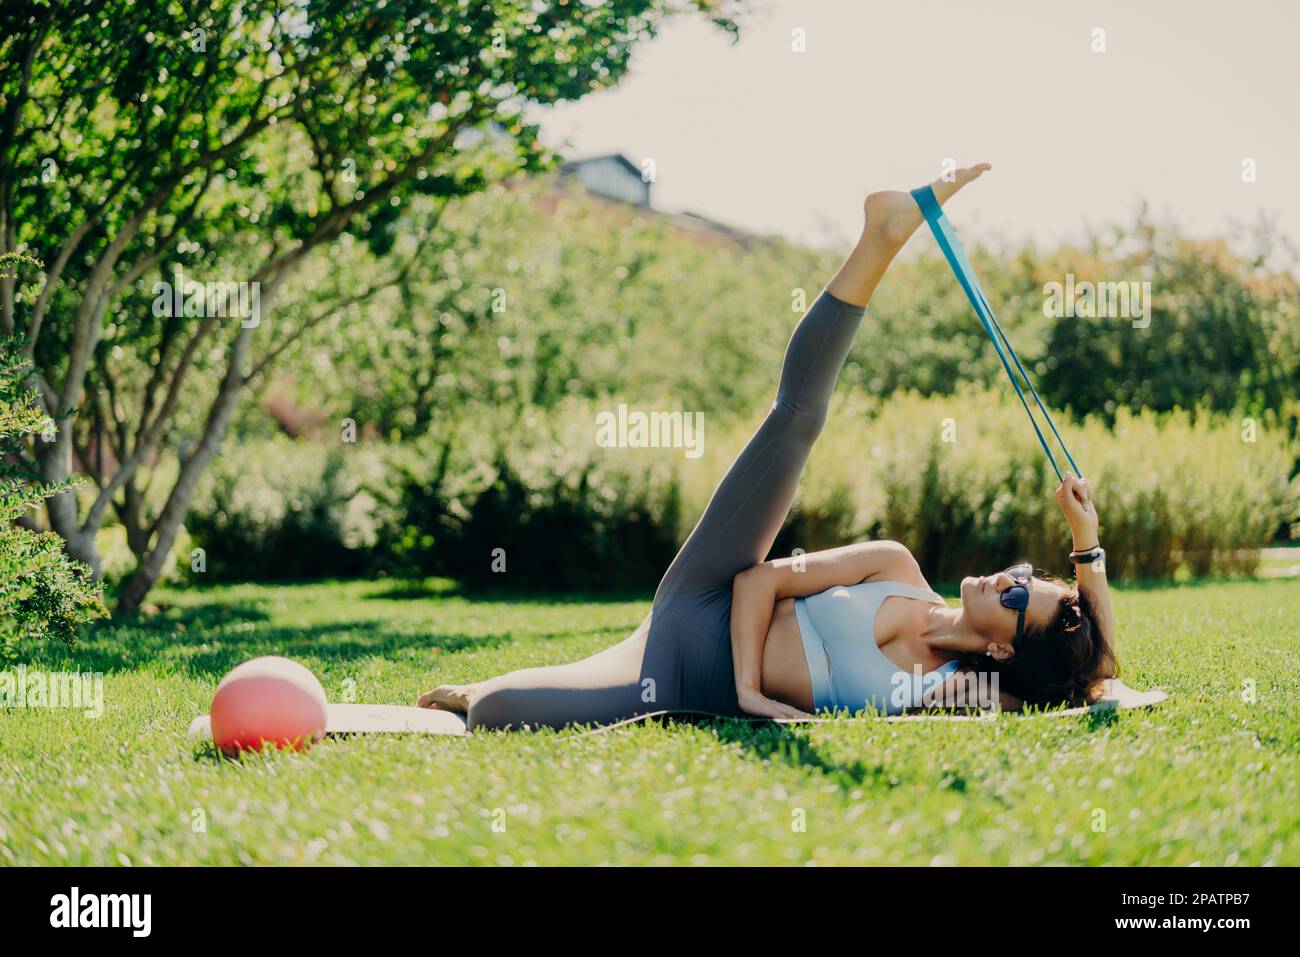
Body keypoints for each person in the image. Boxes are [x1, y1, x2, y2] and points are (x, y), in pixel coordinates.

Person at [417, 163, 1117, 729]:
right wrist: (1084, 543)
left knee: (498, 711)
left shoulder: (956, 692)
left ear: (1003, 647)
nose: (1011, 575)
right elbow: (759, 579)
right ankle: (883, 233)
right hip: (705, 599)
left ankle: (483, 685)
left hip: (677, 673)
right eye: (1028, 569)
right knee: (795, 423)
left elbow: (1096, 674)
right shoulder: (893, 566)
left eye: (1023, 594)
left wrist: (1083, 585)